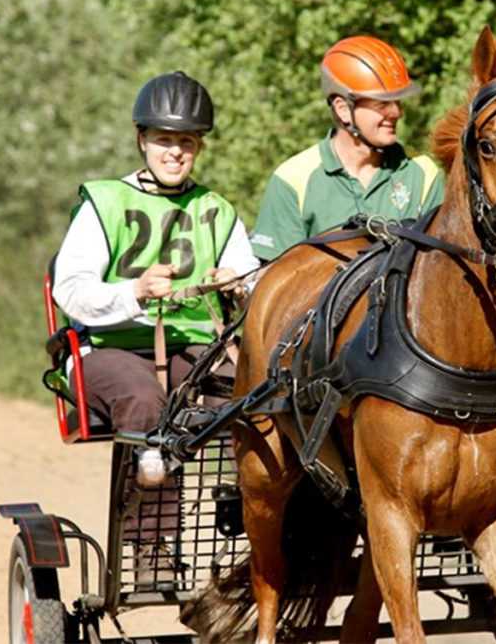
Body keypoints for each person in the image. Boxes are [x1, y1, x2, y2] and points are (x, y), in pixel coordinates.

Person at [52, 71, 259, 585]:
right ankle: (151, 548)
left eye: (186, 142)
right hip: (108, 348)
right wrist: (134, 293)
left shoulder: (217, 209)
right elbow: (69, 290)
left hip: (195, 348)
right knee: (149, 405)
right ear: (141, 139)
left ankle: (252, 533)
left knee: (254, 398)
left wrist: (240, 286)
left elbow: (257, 286)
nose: (174, 152)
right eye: (163, 140)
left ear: (199, 147)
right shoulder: (104, 202)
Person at [249, 35, 444, 262]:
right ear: (343, 109)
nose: (396, 113)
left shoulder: (421, 174)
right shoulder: (291, 181)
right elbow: (276, 284)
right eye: (383, 104)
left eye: (398, 102)